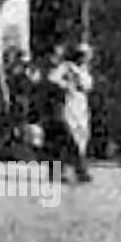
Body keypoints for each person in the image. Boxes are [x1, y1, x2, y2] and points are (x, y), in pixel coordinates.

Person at [51, 43, 94, 182]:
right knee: (67, 139)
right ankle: (60, 171)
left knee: (82, 138)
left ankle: (80, 170)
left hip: (81, 104)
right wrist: (66, 85)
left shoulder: (85, 70)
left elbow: (88, 86)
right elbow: (53, 78)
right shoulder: (67, 67)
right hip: (69, 104)